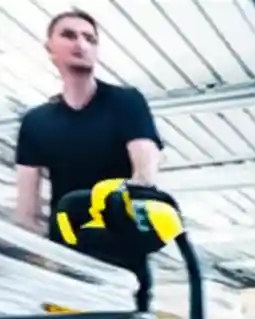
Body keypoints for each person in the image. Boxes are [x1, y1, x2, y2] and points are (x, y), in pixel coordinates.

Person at [14, 9, 164, 246]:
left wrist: (128, 207)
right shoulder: (36, 122)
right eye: (69, 35)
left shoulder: (126, 101)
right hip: (66, 244)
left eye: (89, 38)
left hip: (120, 241)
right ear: (49, 48)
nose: (81, 44)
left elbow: (145, 169)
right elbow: (25, 209)